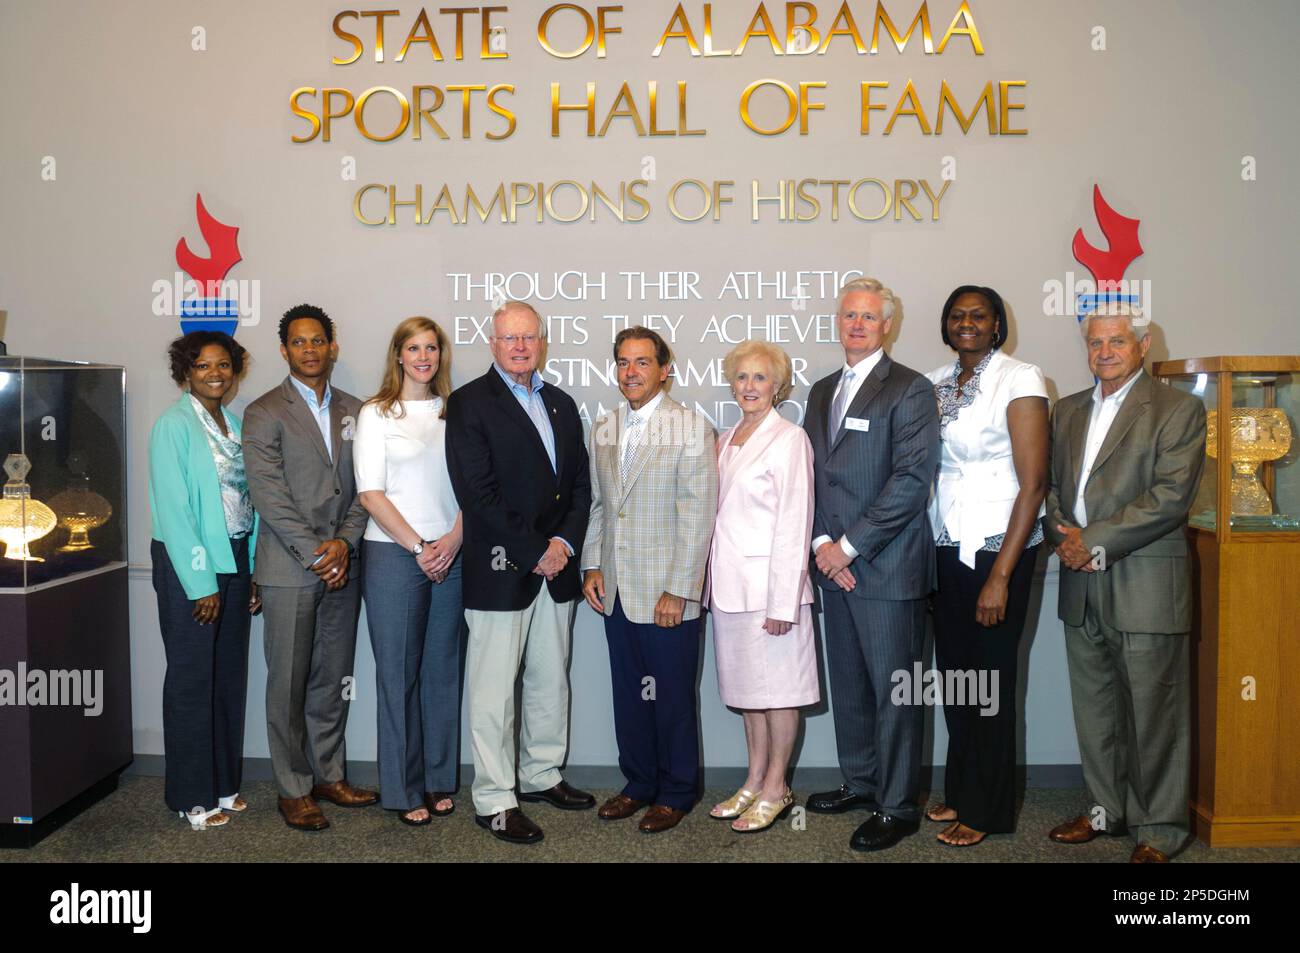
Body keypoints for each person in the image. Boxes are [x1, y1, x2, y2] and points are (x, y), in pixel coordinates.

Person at [1044, 303, 1206, 863]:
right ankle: (1103, 810)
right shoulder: (1066, 411)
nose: (1104, 352)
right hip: (1080, 586)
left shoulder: (1177, 409)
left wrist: (1091, 541)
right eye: (1095, 343)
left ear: (1143, 345)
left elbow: (1168, 499)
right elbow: (1051, 490)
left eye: (1116, 341)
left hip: (1144, 583)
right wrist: (1064, 534)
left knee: (1155, 714)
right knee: (1096, 710)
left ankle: (1160, 829)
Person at [445, 300, 594, 845]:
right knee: (492, 694)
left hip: (555, 569)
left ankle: (540, 775)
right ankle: (493, 800)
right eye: (510, 338)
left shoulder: (560, 403)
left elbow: (579, 485)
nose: (520, 347)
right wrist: (535, 548)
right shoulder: (467, 404)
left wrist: (562, 544)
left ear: (542, 342)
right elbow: (477, 493)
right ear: (493, 343)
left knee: (550, 682)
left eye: (529, 337)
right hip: (501, 568)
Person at [803, 277, 940, 852]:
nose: (856, 325)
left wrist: (849, 548)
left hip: (884, 568)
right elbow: (810, 478)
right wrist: (821, 549)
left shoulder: (909, 389)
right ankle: (861, 783)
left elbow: (911, 481)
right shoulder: (821, 390)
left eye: (868, 317)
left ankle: (898, 804)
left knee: (895, 693)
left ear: (887, 324)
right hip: (833, 569)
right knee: (854, 687)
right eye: (848, 316)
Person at [242, 303, 377, 832]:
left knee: (332, 679)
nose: (310, 350)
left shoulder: (356, 409)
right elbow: (268, 496)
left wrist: (343, 544)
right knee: (288, 684)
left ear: (332, 346)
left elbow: (369, 486)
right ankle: (293, 787)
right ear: (284, 350)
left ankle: (328, 775)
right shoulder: (264, 411)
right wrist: (319, 554)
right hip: (289, 570)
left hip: (344, 565)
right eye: (299, 342)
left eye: (318, 340)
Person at [922, 286, 1049, 847]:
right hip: (946, 544)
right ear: (946, 325)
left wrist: (1001, 574)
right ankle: (961, 788)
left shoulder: (1021, 378)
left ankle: (989, 808)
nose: (967, 323)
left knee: (992, 682)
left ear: (997, 325)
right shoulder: (935, 383)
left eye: (978, 316)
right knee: (957, 679)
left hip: (1001, 546)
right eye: (957, 316)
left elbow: (1034, 483)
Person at [581, 327, 717, 834]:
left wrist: (680, 589)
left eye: (642, 362)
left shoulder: (690, 427)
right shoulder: (605, 427)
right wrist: (592, 565)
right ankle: (638, 784)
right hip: (616, 589)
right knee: (630, 694)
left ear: (665, 370)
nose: (631, 371)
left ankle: (677, 791)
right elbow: (600, 506)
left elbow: (697, 515)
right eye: (622, 362)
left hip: (666, 594)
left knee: (672, 696)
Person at [704, 340, 818, 833]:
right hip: (729, 589)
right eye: (742, 377)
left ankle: (776, 787)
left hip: (772, 592)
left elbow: (795, 522)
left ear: (778, 386)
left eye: (760, 378)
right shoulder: (726, 438)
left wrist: (783, 601)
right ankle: (753, 780)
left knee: (779, 693)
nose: (749, 386)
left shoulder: (790, 438)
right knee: (749, 694)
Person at [149, 330, 260, 830]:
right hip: (189, 563)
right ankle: (192, 798)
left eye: (223, 365)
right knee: (193, 681)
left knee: (228, 676)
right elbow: (174, 512)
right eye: (202, 366)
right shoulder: (172, 426)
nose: (215, 374)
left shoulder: (234, 424)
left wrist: (250, 568)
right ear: (185, 372)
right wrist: (201, 583)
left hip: (235, 558)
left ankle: (222, 784)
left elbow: (247, 504)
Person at [354, 317, 463, 826]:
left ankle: (440, 780)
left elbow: (475, 486)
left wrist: (452, 540)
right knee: (398, 675)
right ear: (398, 354)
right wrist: (420, 546)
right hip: (395, 556)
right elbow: (370, 493)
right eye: (414, 348)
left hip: (452, 551)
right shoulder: (376, 413)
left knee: (442, 674)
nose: (424, 356)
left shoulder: (456, 411)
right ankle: (403, 788)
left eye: (432, 348)